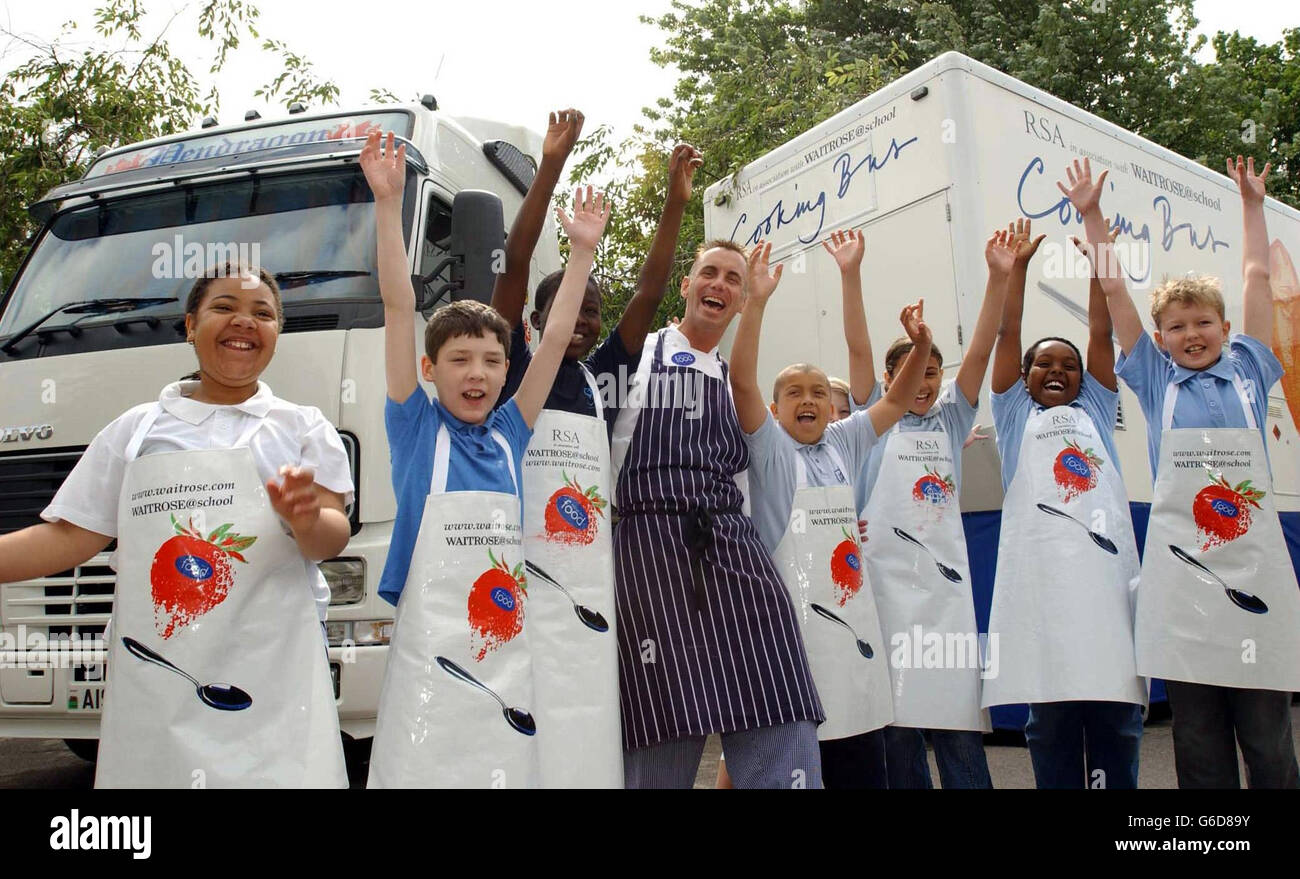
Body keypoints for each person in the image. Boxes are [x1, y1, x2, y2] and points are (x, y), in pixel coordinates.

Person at [0, 263, 354, 788]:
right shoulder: (136, 431)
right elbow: (71, 536)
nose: (244, 322)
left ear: (278, 333)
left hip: (276, 679)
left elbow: (331, 538)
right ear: (190, 325)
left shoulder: (301, 427)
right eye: (224, 307)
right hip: (158, 678)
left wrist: (305, 518)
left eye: (262, 313)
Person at [360, 129, 610, 788]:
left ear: (506, 371)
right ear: (428, 368)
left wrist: (582, 250)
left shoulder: (511, 430)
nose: (476, 375)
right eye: (459, 360)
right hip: (429, 657)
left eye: (491, 361)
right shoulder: (413, 423)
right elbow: (397, 303)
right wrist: (389, 205)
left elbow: (554, 336)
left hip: (504, 649)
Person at [487, 113, 700, 786]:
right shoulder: (515, 362)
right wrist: (550, 166)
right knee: (518, 698)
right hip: (516, 554)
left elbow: (651, 289)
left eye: (589, 315)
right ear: (534, 320)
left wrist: (674, 200)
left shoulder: (607, 369)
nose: (578, 323)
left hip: (585, 565)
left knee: (583, 703)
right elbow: (518, 263)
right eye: (566, 310)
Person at [1085, 154, 1300, 788]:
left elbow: (1258, 276)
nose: (1191, 334)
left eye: (1204, 322)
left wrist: (1253, 205)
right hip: (1183, 580)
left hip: (1254, 572)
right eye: (1176, 327)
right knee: (1198, 735)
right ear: (1160, 338)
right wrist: (1092, 215)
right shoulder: (1154, 380)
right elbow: (1113, 292)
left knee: (1266, 733)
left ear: (1227, 330)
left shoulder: (1251, 368)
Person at [610, 238, 825, 789]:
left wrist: (761, 300)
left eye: (734, 279)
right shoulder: (638, 357)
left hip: (731, 549)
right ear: (686, 286)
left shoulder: (740, 381)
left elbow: (769, 473)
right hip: (649, 551)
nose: (720, 285)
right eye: (710, 272)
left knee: (777, 689)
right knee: (661, 714)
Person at [732, 231, 937, 788]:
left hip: (856, 646)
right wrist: (756, 300)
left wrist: (920, 347)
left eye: (818, 391)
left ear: (832, 404)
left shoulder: (847, 441)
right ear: (775, 410)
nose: (808, 400)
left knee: (863, 769)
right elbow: (741, 379)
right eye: (794, 392)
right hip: (794, 644)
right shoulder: (771, 449)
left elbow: (895, 400)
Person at [985, 203, 1146, 789]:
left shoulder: (1097, 409)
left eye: (1069, 365)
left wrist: (1100, 264)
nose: (1058, 370)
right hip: (1041, 592)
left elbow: (1100, 330)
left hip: (1105, 588)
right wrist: (1016, 270)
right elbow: (1008, 332)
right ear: (1023, 376)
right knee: (1049, 722)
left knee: (1116, 718)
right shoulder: (1012, 413)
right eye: (1044, 363)